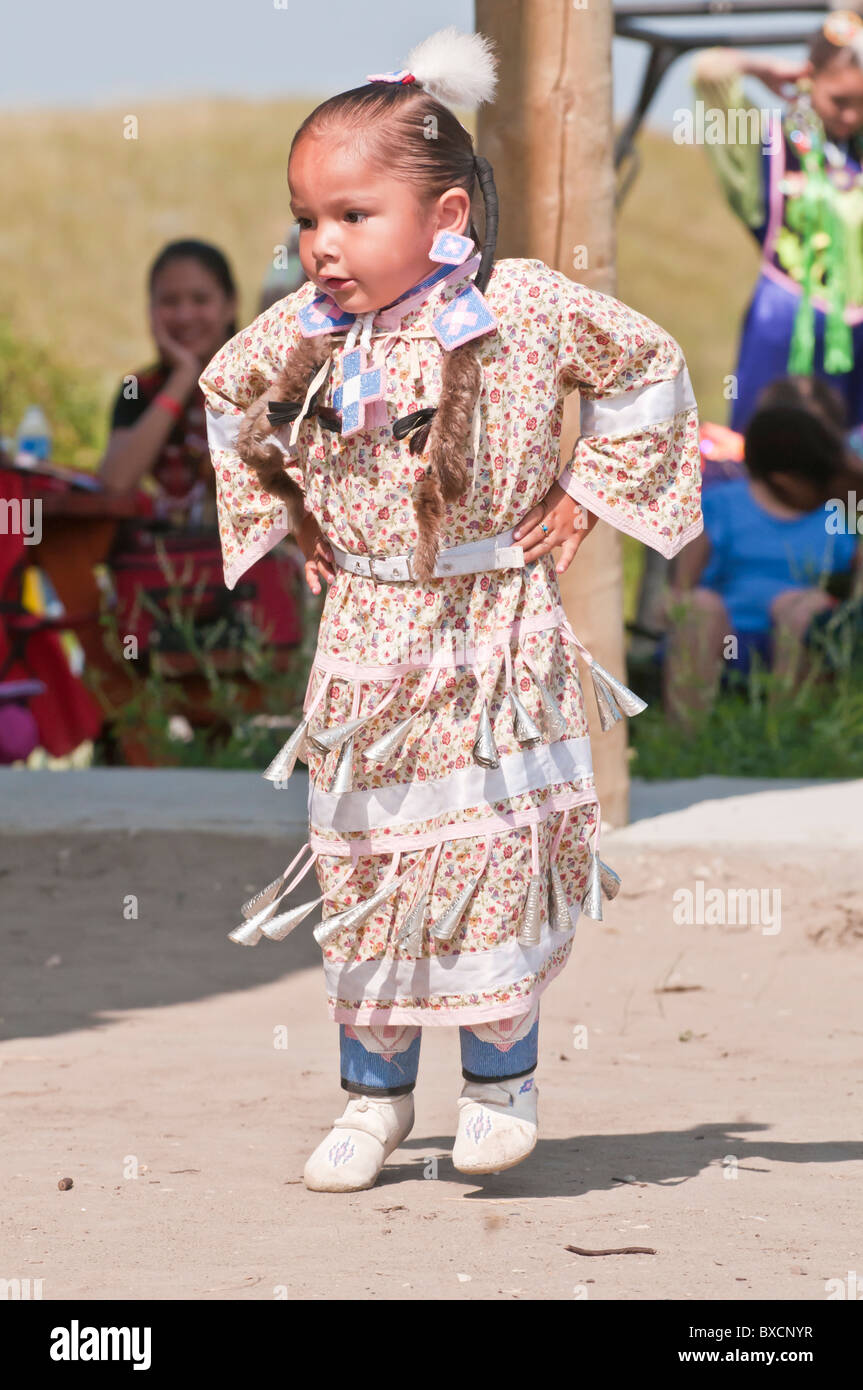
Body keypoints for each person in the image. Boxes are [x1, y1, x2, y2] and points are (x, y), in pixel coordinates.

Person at [199, 26, 703, 1193]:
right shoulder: (303, 332)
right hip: (369, 643)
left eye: (351, 215)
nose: (320, 245)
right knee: (370, 860)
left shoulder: (521, 305)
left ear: (446, 219)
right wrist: (292, 510)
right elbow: (231, 400)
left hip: (492, 633)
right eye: (306, 219)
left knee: (488, 855)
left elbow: (648, 368)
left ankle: (498, 1087)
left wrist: (584, 495)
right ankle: (372, 1100)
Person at [693, 8, 863, 433]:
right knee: (769, 448)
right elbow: (709, 71)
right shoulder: (768, 146)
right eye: (839, 101)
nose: (850, 117)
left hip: (857, 347)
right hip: (782, 330)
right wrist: (763, 67)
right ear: (810, 79)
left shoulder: (857, 154)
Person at [662, 375, 861, 725]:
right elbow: (680, 590)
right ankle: (685, 737)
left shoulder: (840, 512)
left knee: (802, 605)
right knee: (698, 608)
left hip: (800, 636)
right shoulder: (720, 504)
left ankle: (785, 737)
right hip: (724, 633)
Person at [99, 240, 238, 527]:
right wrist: (183, 378)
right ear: (151, 310)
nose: (185, 316)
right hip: (158, 551)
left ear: (230, 305)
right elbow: (114, 483)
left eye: (200, 299)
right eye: (170, 302)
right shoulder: (137, 388)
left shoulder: (263, 382)